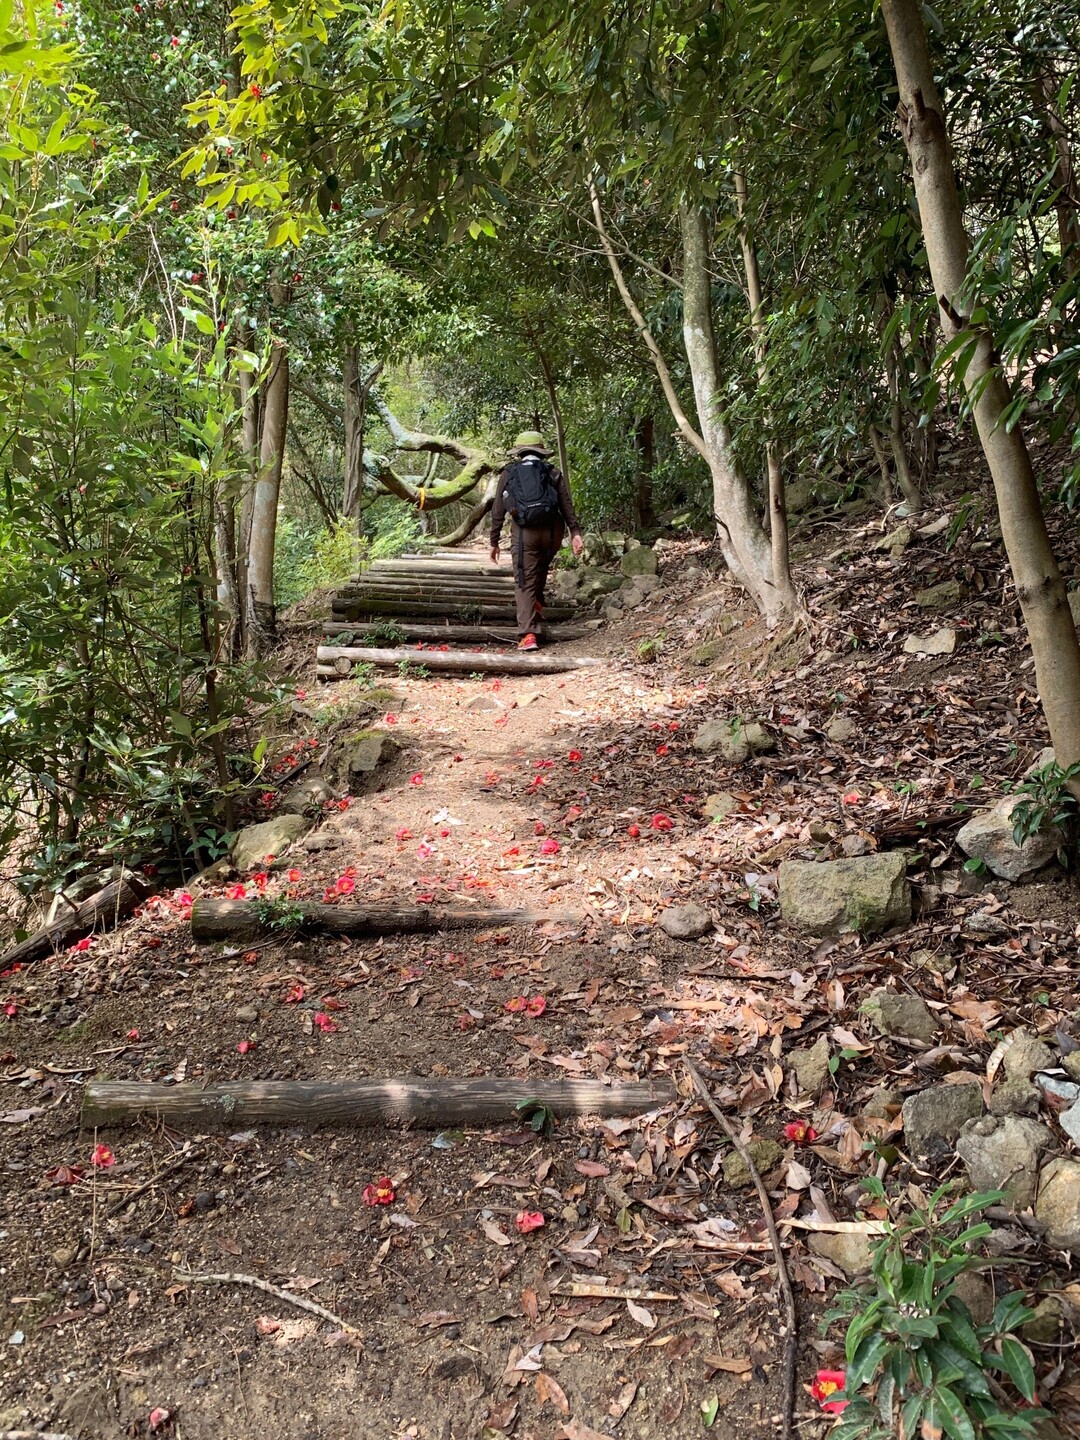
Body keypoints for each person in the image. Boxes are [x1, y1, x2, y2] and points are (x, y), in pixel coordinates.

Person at [489, 431, 584, 651]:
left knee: (524, 579)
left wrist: (494, 541)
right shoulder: (552, 472)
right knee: (540, 567)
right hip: (553, 531)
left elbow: (497, 510)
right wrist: (575, 532)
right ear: (541, 451)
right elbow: (565, 504)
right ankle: (537, 604)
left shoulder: (509, 473)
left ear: (519, 451)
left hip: (525, 533)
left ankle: (528, 633)